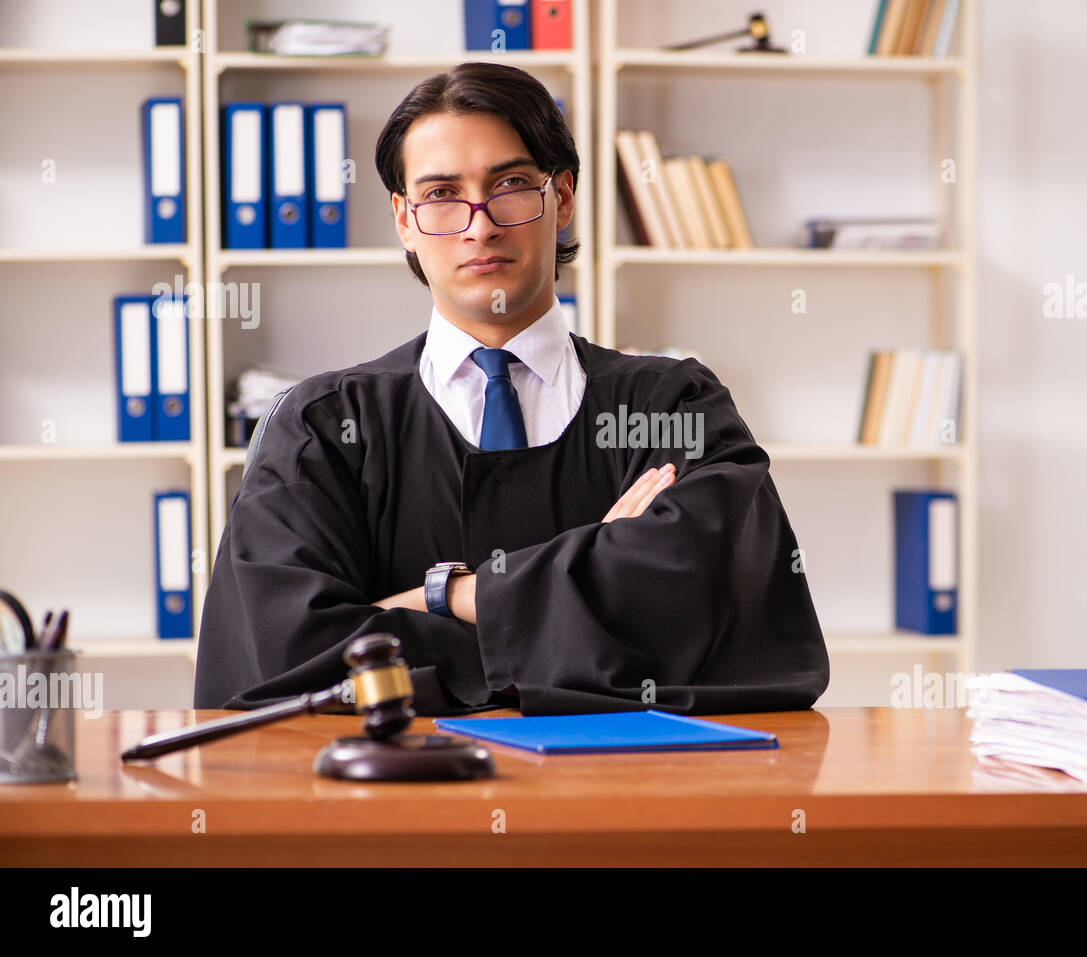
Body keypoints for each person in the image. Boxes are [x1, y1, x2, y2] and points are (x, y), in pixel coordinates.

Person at [194, 62, 829, 716]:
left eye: (512, 185)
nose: (479, 224)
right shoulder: (323, 427)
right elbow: (294, 655)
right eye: (441, 194)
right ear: (404, 220)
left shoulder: (671, 405)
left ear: (565, 196)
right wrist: (591, 591)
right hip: (401, 806)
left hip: (629, 798)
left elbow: (716, 609)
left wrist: (446, 595)